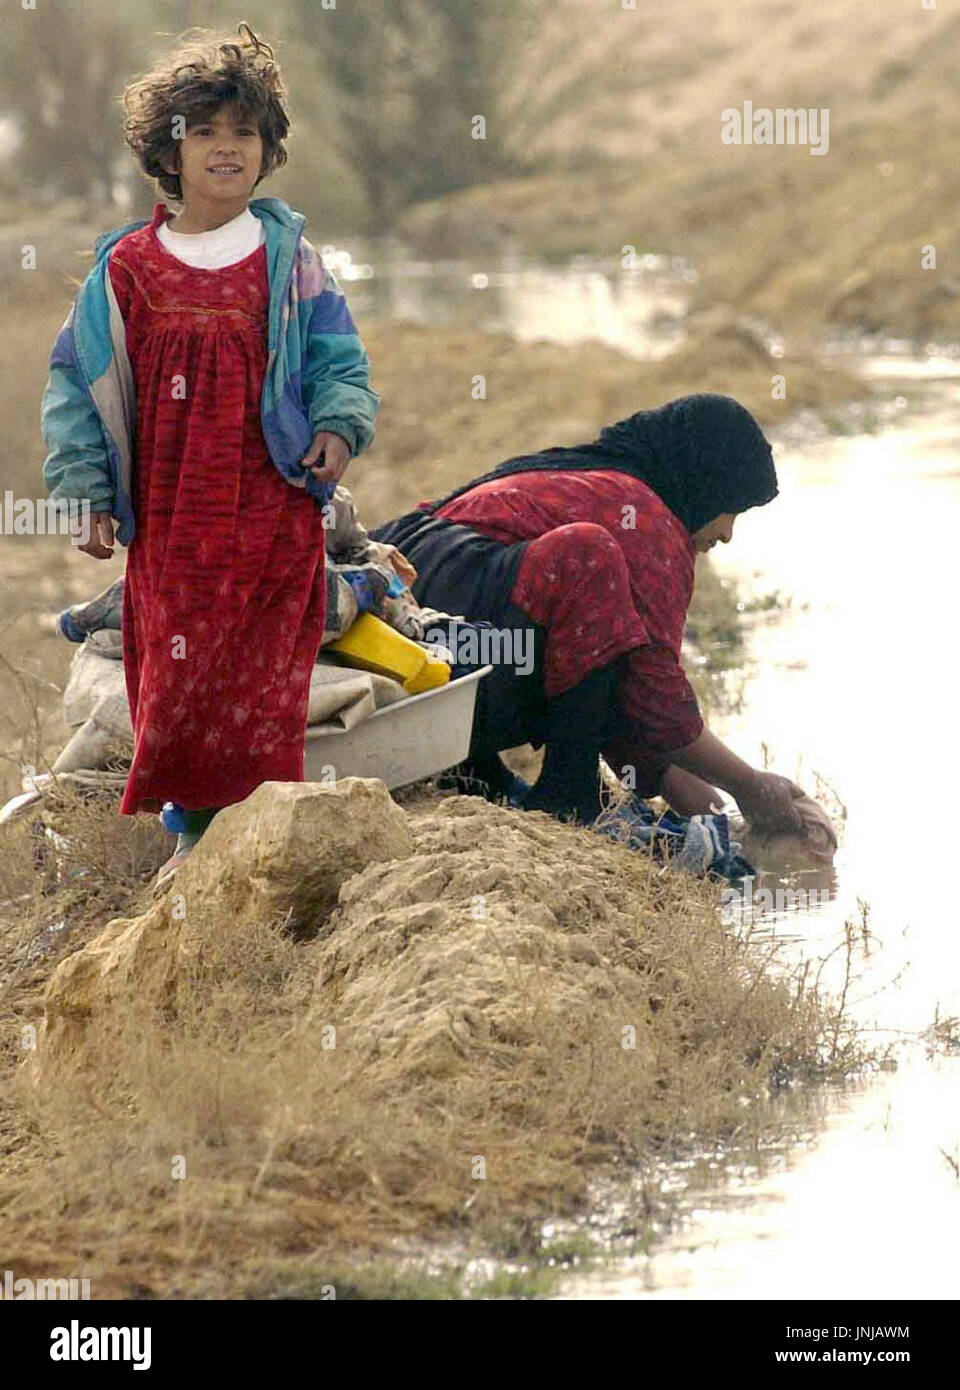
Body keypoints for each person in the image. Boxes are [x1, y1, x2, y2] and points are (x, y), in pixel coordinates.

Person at [39, 25, 379, 885]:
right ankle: (193, 834)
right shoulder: (127, 269)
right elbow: (76, 386)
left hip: (270, 507)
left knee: (265, 675)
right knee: (179, 675)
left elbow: (340, 358)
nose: (226, 148)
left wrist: (338, 427)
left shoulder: (290, 260)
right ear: (170, 148)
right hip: (173, 519)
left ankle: (259, 839)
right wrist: (86, 491)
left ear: (267, 152)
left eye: (244, 133)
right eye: (204, 132)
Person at [372, 393, 836, 858]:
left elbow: (617, 671)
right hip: (439, 652)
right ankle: (568, 795)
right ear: (706, 482)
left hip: (404, 642)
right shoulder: (647, 517)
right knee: (585, 558)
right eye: (731, 510)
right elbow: (654, 693)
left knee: (588, 618)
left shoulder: (591, 478)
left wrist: (707, 810)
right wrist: (750, 785)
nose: (728, 533)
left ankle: (474, 773)